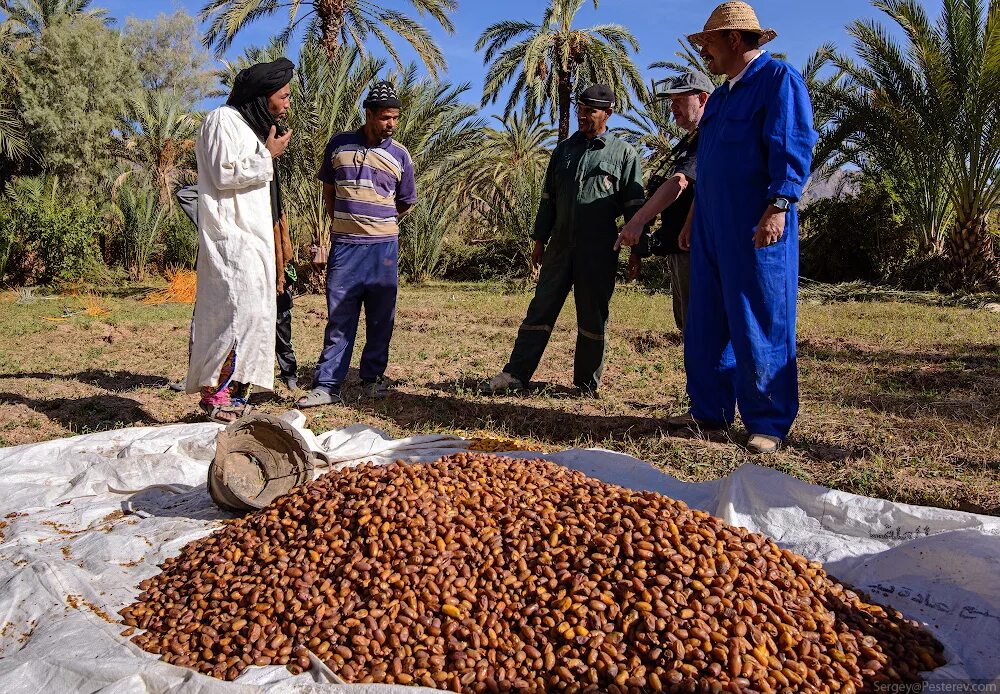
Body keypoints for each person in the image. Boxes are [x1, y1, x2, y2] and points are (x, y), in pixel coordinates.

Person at [669, 2, 817, 454]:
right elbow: (709, 169)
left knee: (761, 318)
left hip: (756, 226)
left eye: (709, 42)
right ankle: (709, 415)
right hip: (711, 229)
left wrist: (778, 206)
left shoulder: (777, 82)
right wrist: (695, 219)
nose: (704, 52)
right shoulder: (723, 97)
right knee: (708, 321)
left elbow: (792, 146)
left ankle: (767, 422)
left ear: (734, 39)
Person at [483, 84, 645, 397]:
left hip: (599, 249)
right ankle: (516, 374)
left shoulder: (623, 154)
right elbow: (549, 199)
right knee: (540, 309)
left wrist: (638, 251)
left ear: (607, 114)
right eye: (580, 110)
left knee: (592, 315)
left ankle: (586, 385)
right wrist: (539, 239)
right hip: (559, 247)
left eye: (590, 111)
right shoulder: (564, 151)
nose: (582, 116)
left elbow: (635, 207)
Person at [185, 58, 294, 423]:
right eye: (283, 96)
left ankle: (233, 393)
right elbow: (222, 172)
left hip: (250, 241)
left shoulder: (246, 128)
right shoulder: (221, 120)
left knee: (253, 313)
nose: (287, 103)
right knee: (233, 315)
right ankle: (216, 395)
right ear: (262, 97)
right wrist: (269, 155)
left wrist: (265, 151)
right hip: (231, 240)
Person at [297, 80, 416, 408]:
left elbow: (405, 202)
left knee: (381, 317)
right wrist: (345, 225)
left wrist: (381, 225)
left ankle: (373, 378)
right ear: (369, 114)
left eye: (395, 118)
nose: (391, 124)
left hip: (384, 251)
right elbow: (329, 191)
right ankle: (326, 385)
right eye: (385, 117)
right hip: (345, 249)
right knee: (340, 316)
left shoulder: (401, 155)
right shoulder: (339, 145)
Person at [615, 71, 714, 333]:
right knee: (687, 324)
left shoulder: (709, 136)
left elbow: (680, 183)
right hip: (680, 246)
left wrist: (637, 221)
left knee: (699, 327)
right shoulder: (689, 140)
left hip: (697, 247)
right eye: (671, 102)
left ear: (703, 98)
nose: (672, 109)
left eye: (679, 101)